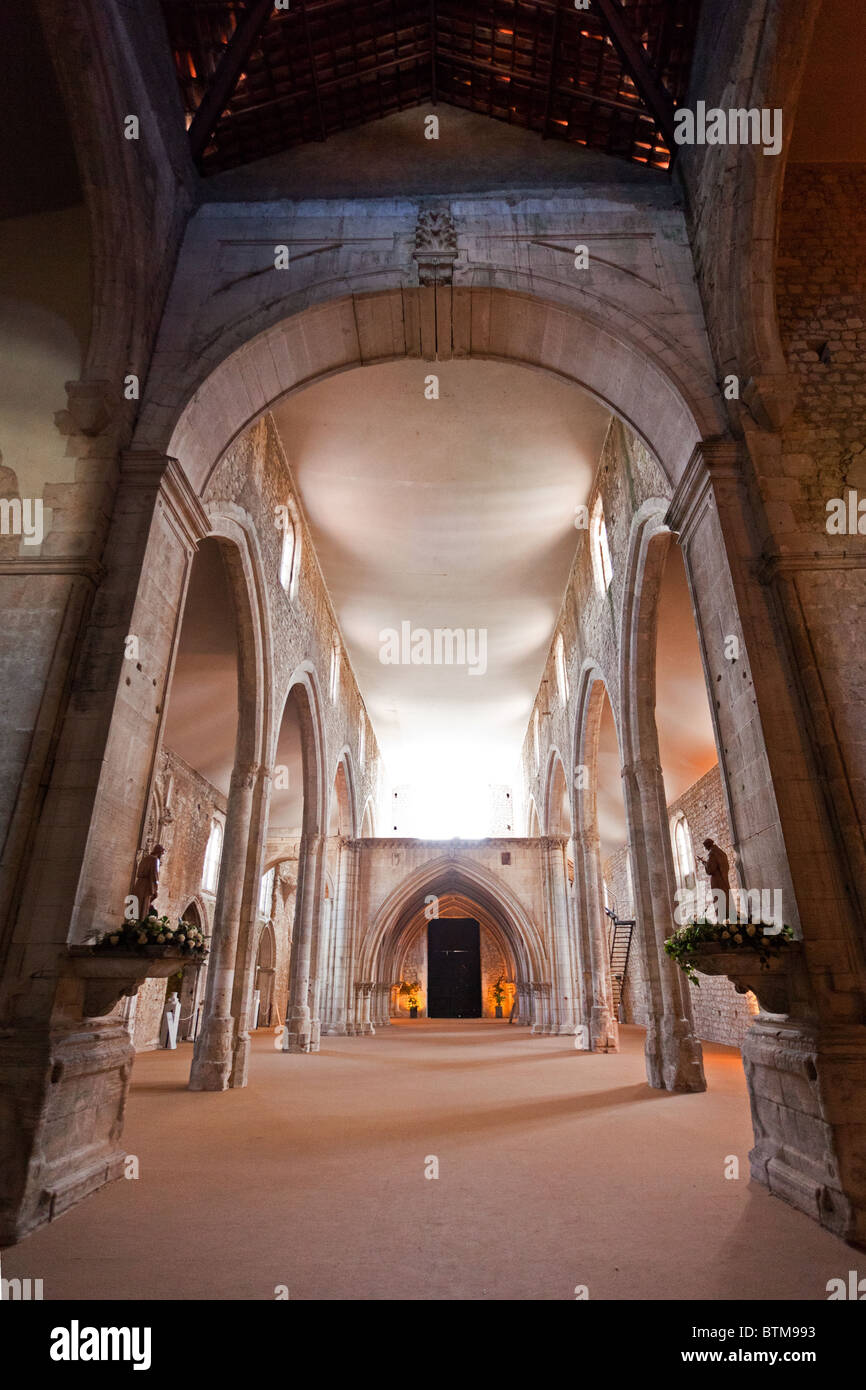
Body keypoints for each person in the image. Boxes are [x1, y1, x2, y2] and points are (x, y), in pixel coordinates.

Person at [698, 838, 731, 921]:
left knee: (719, 899)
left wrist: (704, 863)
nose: (705, 849)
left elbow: (710, 870)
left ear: (708, 845)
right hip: (723, 878)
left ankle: (723, 920)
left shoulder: (712, 853)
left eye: (705, 846)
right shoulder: (720, 852)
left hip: (717, 880)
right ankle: (729, 918)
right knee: (726, 897)